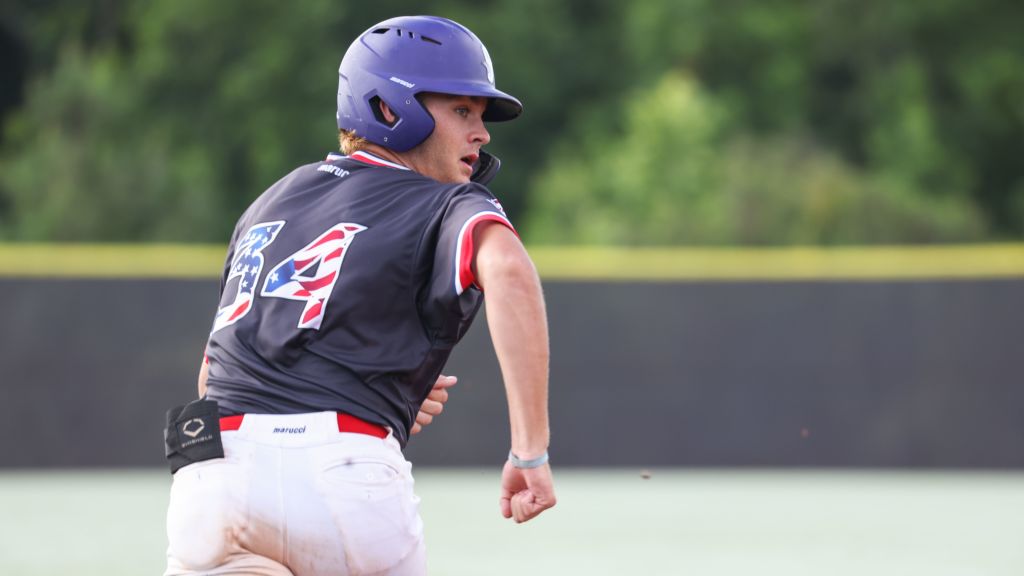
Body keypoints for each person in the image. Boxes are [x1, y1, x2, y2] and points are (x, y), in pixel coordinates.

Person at [163, 15, 555, 576]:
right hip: (342, 475)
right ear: (390, 109)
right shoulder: (445, 203)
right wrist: (529, 452)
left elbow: (213, 377)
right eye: (462, 110)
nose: (482, 132)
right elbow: (511, 273)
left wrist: (372, 383)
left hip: (213, 478)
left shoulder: (270, 202)